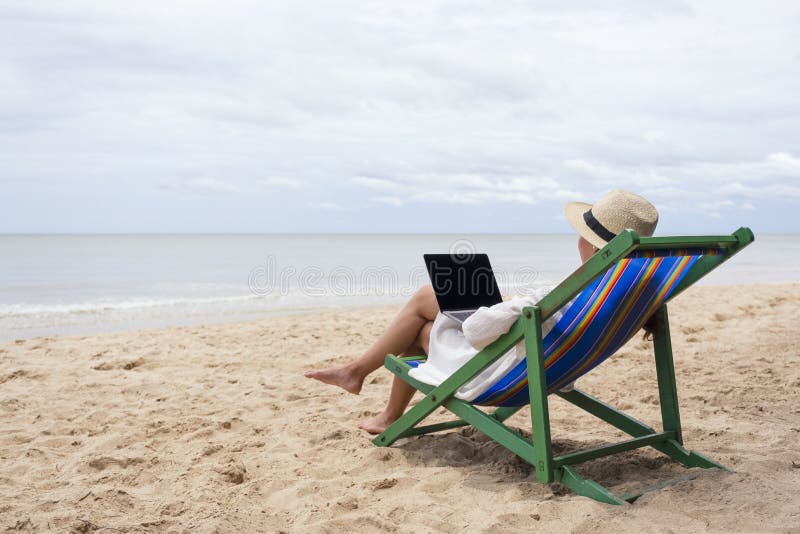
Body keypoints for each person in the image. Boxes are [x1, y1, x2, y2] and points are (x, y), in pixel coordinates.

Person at [304, 189, 659, 434]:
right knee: (428, 321)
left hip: (501, 374)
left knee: (427, 301)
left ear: (590, 243)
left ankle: (359, 375)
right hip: (540, 364)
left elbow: (477, 332)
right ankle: (380, 404)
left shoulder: (568, 291)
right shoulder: (634, 290)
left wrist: (497, 309)